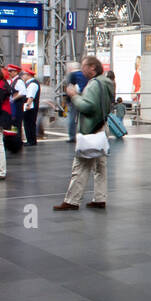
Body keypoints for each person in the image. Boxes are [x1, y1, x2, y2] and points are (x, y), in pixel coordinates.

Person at [54, 56, 114, 211]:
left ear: (92, 67)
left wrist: (74, 96)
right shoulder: (106, 82)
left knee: (81, 165)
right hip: (102, 127)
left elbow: (88, 107)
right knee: (100, 166)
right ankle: (100, 198)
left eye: (84, 66)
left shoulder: (94, 84)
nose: (82, 70)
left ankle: (72, 201)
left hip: (91, 130)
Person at [14, 69, 40, 147]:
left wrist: (28, 104)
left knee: (30, 123)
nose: (23, 76)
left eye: (24, 75)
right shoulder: (29, 83)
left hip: (30, 107)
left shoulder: (33, 84)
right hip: (29, 106)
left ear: (28, 75)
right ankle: (30, 140)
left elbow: (31, 96)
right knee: (27, 123)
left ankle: (31, 140)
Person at [64, 61, 88, 141]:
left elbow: (70, 87)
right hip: (84, 98)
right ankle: (84, 133)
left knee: (72, 118)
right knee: (83, 118)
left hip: (73, 99)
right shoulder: (84, 74)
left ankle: (72, 136)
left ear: (71, 68)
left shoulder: (72, 75)